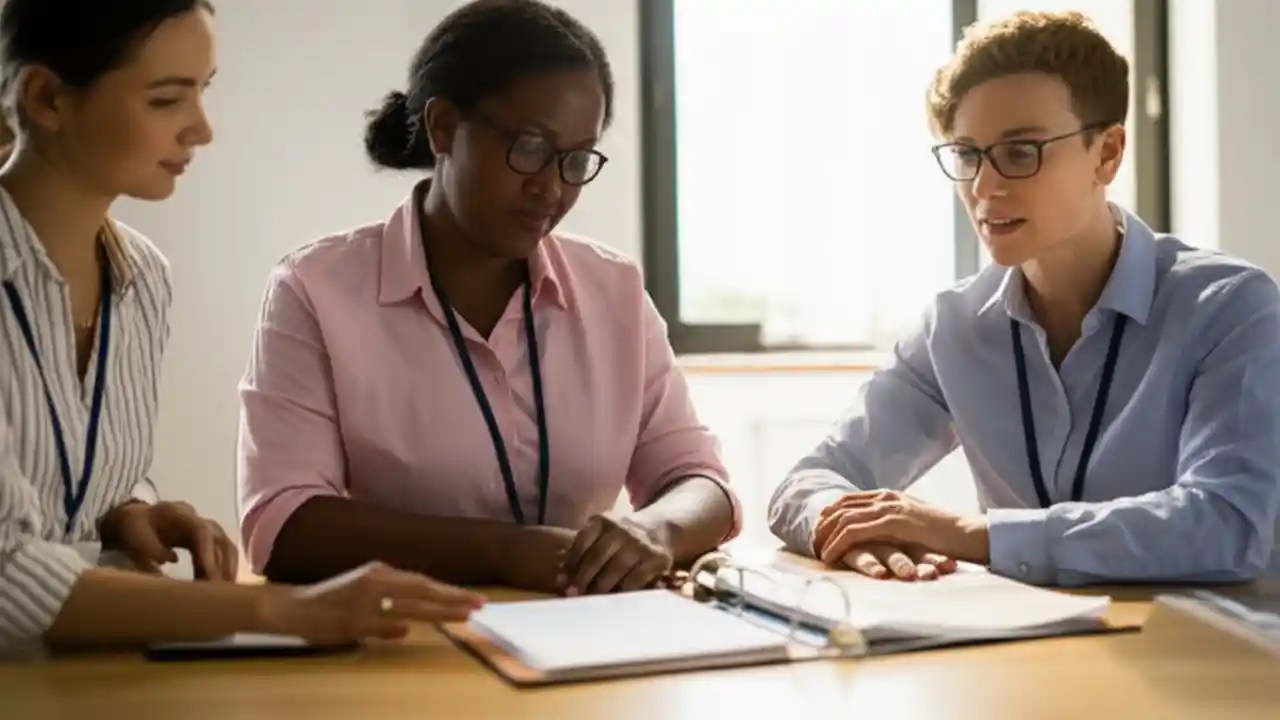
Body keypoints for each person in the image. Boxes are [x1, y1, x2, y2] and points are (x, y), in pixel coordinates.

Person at [0, 0, 481, 657]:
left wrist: (128, 513)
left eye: (204, 92)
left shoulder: (141, 278)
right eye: (167, 100)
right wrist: (284, 608)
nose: (201, 129)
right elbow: (8, 571)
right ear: (48, 98)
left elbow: (77, 476)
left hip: (79, 676)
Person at [237, 0, 738, 597]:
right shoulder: (315, 290)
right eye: (529, 147)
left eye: (576, 159)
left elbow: (699, 480)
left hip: (588, 640)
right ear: (443, 126)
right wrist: (500, 551)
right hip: (405, 646)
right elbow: (284, 524)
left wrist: (654, 531)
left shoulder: (614, 292)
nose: (550, 186)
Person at [768, 10, 1280, 586]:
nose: (985, 188)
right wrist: (855, 530)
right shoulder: (953, 327)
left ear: (1107, 153)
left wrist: (969, 535)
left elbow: (1229, 524)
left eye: (1021, 152)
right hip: (1038, 646)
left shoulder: (1230, 306)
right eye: (967, 155)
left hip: (1214, 653)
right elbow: (807, 482)